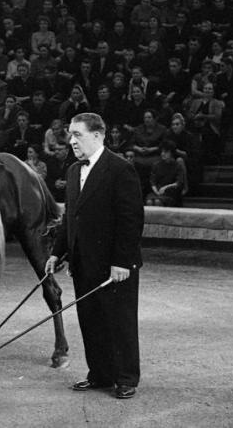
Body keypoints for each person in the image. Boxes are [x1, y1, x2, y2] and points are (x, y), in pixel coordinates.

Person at [46, 112, 143, 400]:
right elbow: (70, 219)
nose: (71, 140)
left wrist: (122, 262)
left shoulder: (120, 169)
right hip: (83, 263)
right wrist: (57, 252)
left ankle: (126, 377)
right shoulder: (74, 171)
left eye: (78, 134)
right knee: (91, 321)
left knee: (119, 322)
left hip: (115, 266)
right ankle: (99, 374)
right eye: (70, 135)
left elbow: (131, 220)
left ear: (98, 135)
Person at [145, 140, 185, 207]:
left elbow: (179, 182)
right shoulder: (156, 165)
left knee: (158, 202)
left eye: (166, 152)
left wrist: (165, 188)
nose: (162, 154)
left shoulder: (177, 166)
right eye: (162, 151)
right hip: (156, 191)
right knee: (149, 202)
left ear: (171, 153)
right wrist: (156, 191)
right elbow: (152, 181)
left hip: (170, 193)